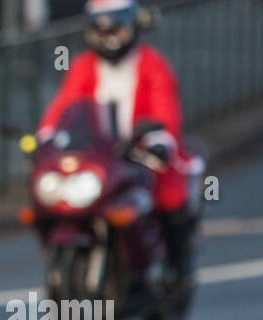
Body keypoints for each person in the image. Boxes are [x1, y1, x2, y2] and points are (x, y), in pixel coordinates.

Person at [37, 0, 194, 285]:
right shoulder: (84, 65)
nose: (108, 39)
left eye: (116, 30)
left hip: (140, 152)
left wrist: (159, 138)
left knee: (170, 197)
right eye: (99, 31)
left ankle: (176, 268)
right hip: (101, 154)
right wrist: (46, 137)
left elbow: (165, 111)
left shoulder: (152, 64)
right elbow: (63, 107)